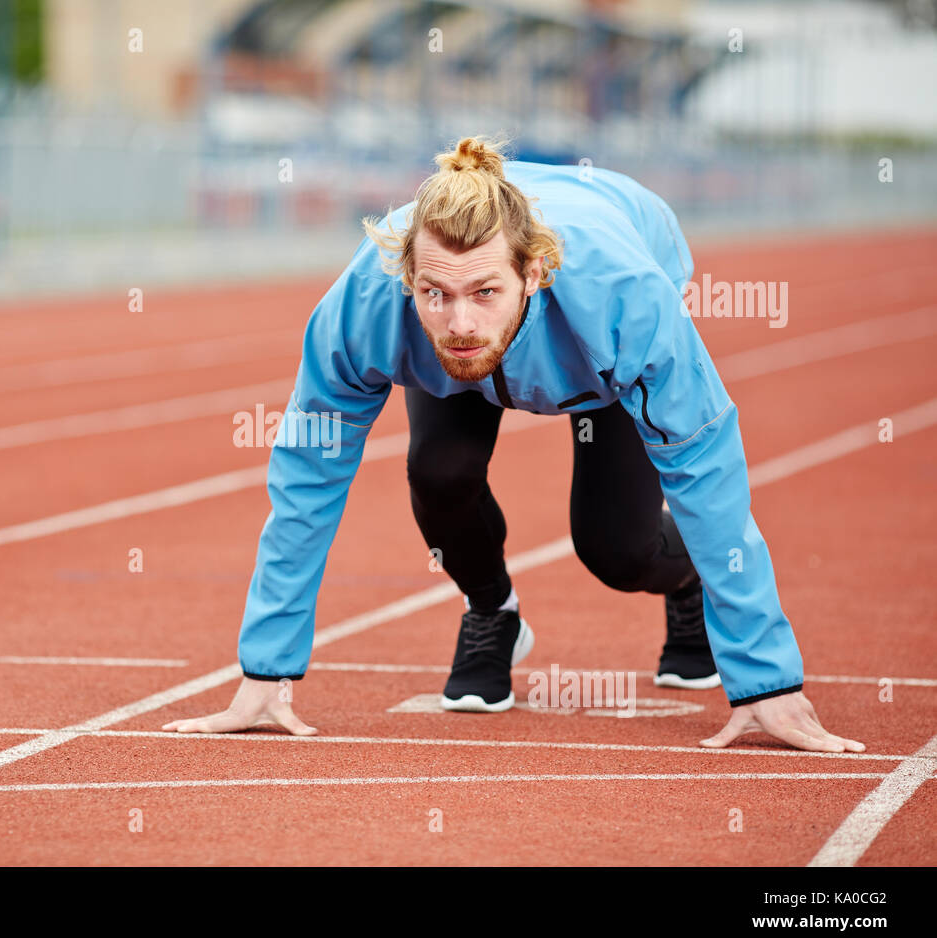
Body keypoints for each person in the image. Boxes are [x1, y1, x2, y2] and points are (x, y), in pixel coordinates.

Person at [163, 136, 863, 753]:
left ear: (533, 272)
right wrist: (266, 672)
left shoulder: (625, 302)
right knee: (439, 472)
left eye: (484, 292)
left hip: (591, 335)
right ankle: (492, 612)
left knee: (616, 550)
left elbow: (703, 463)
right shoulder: (366, 307)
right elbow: (306, 475)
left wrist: (765, 681)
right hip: (458, 365)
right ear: (408, 278)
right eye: (434, 293)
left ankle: (685, 584)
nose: (460, 322)